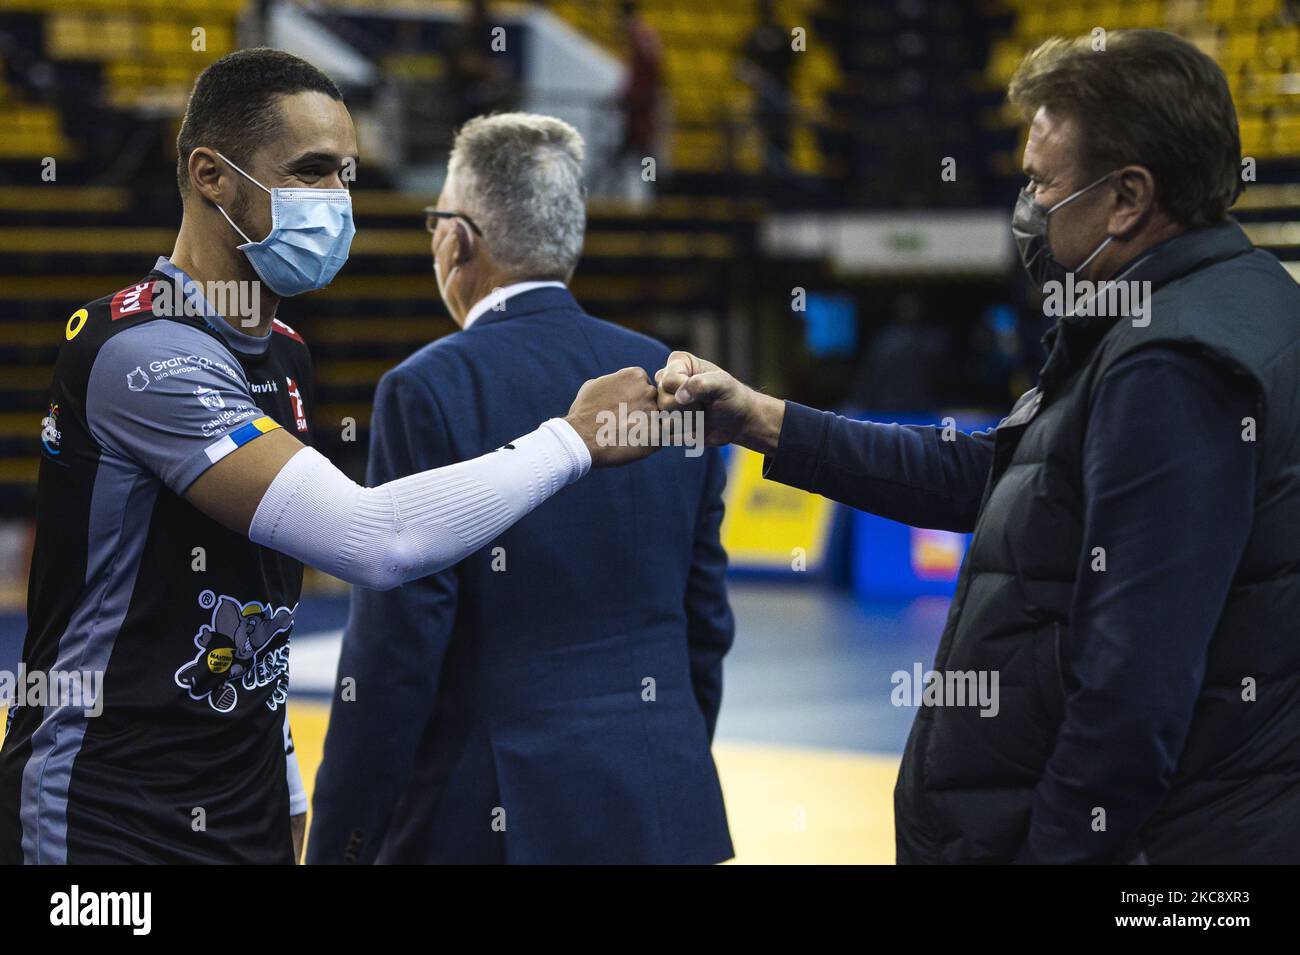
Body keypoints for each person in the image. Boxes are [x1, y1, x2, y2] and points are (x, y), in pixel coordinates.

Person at [654, 30, 1300, 864]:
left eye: (1041, 183)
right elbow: (999, 478)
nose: (1026, 208)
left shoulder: (1171, 367)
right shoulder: (1220, 302)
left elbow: (1133, 692)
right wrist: (762, 418)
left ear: (1129, 197)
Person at [0, 50, 657, 865]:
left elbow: (258, 598)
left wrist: (288, 784)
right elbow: (373, 538)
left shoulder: (283, 354)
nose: (337, 203)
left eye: (345, 175)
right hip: (103, 813)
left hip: (242, 806)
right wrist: (572, 439)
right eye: (310, 173)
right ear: (212, 175)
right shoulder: (139, 354)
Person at [307, 114, 735, 865]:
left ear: (458, 238)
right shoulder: (672, 377)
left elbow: (395, 652)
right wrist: (665, 765)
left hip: (498, 821)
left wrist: (344, 842)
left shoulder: (425, 389)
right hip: (667, 807)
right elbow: (705, 620)